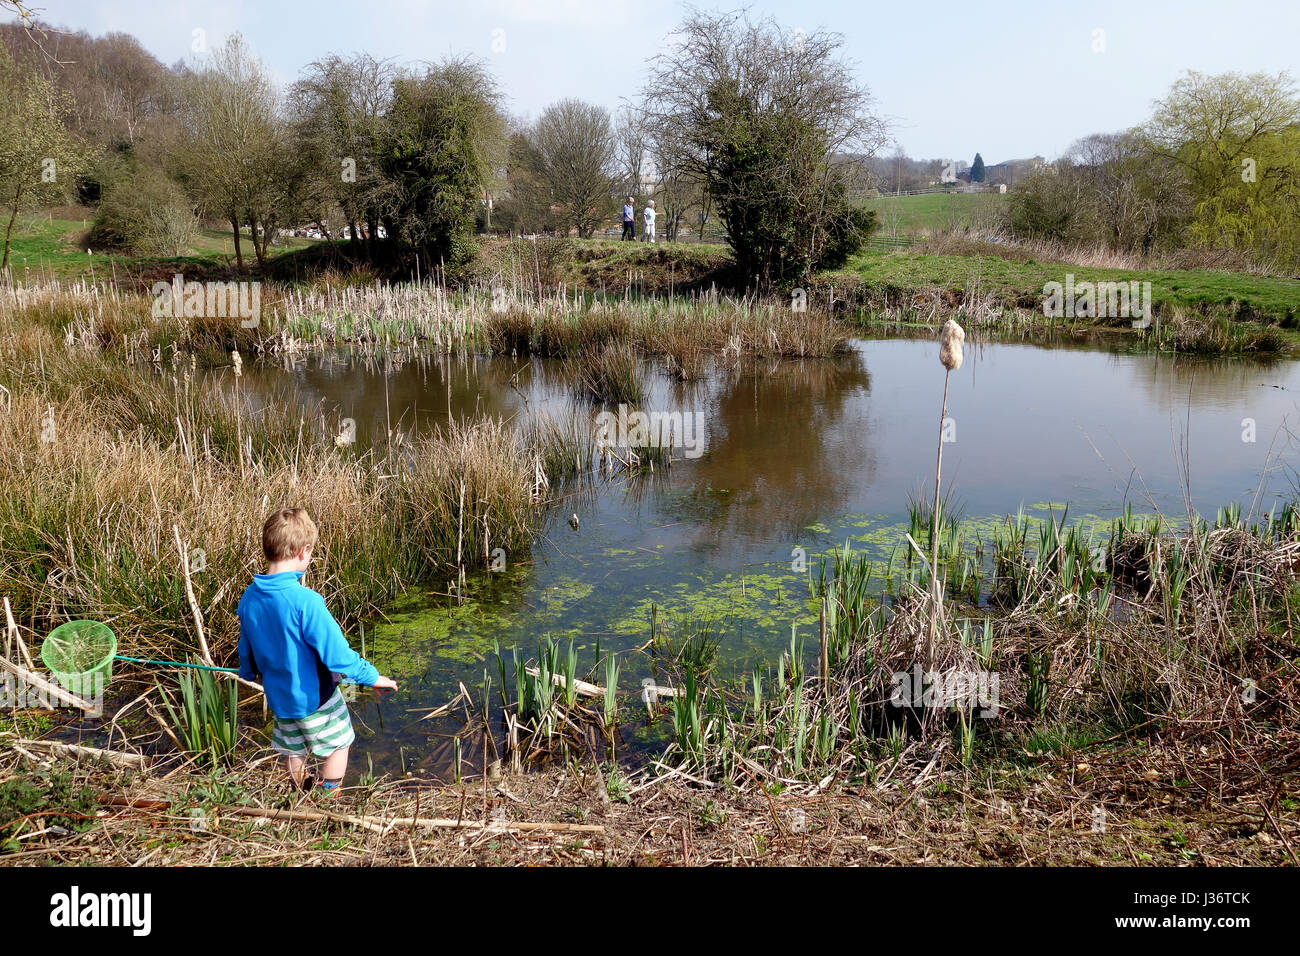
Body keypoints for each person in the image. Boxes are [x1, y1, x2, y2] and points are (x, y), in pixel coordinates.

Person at [237, 508, 397, 794]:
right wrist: (372, 677)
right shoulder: (306, 601)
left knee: (293, 749)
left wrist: (247, 672)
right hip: (317, 698)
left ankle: (301, 792)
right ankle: (326, 798)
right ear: (303, 551)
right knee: (339, 744)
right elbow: (337, 655)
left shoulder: (249, 597)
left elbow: (245, 647)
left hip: (280, 698)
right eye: (310, 554)